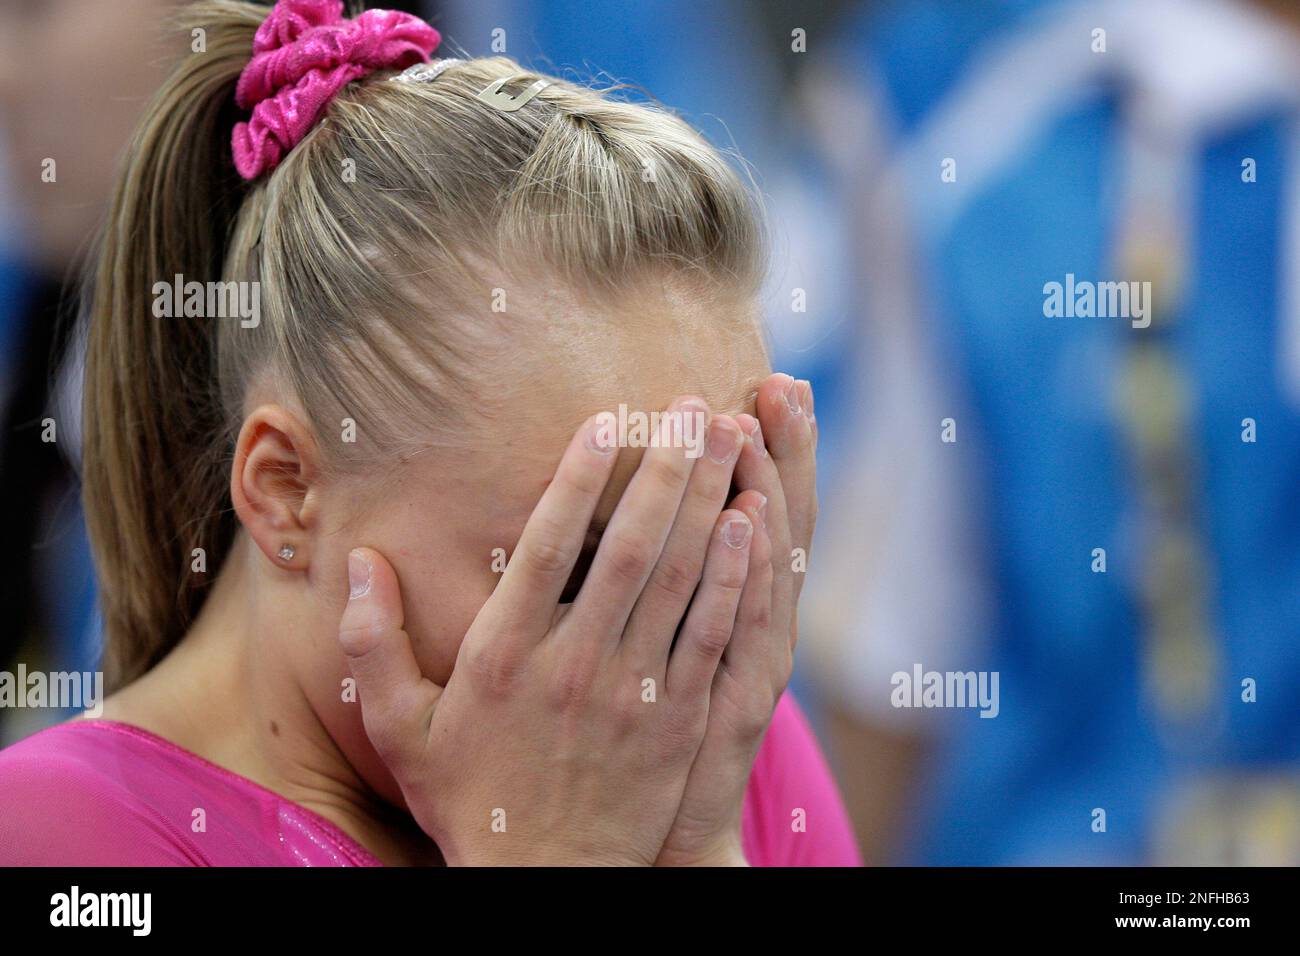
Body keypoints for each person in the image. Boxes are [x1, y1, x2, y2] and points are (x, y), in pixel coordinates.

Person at [0, 0, 859, 867]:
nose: (672, 647)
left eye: (722, 533)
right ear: (288, 492)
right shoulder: (59, 833)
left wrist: (701, 845)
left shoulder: (707, 712)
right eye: (585, 566)